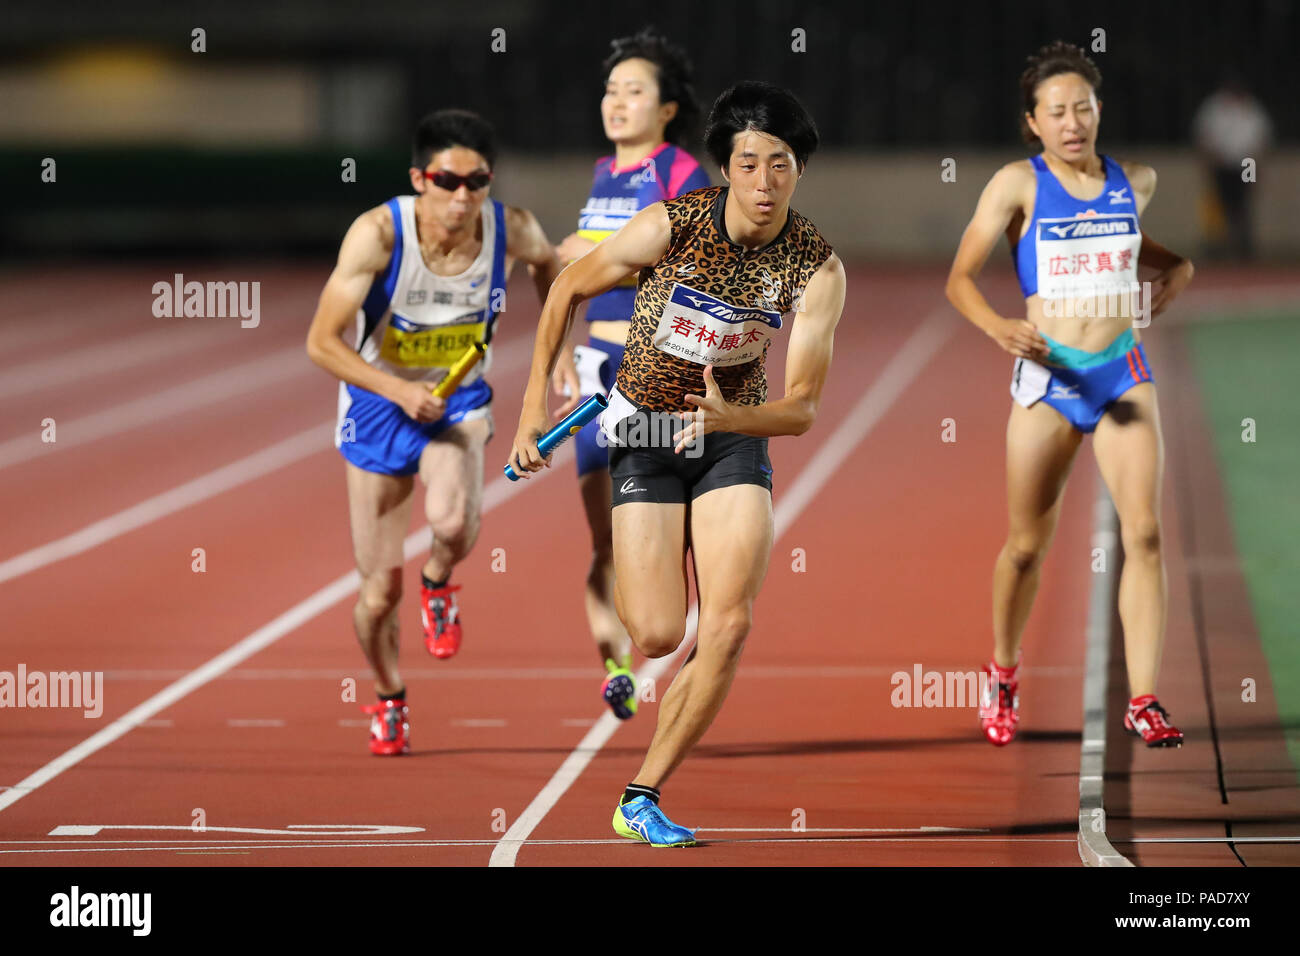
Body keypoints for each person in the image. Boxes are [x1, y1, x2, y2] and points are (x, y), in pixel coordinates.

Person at [508, 81, 846, 845]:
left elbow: (802, 409)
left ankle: (641, 794)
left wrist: (734, 418)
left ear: (800, 171)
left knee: (727, 626)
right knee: (658, 634)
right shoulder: (672, 223)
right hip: (646, 435)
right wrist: (533, 407)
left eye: (782, 165)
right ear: (725, 167)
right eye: (750, 163)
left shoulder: (816, 268)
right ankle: (637, 635)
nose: (765, 183)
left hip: (732, 434)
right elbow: (566, 285)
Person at [945, 42, 1195, 748]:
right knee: (1027, 545)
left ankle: (1143, 698)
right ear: (1034, 122)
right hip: (1050, 379)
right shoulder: (1014, 186)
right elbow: (959, 278)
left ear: (1098, 110)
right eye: (1056, 111)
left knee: (1143, 531)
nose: (1072, 121)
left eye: (1082, 107)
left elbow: (1125, 241)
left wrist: (1179, 266)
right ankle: (1003, 670)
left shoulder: (1133, 180)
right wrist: (999, 328)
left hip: (1121, 371)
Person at [306, 109, 560, 755]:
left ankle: (440, 583)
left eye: (477, 182)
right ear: (420, 177)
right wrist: (397, 389)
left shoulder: (513, 229)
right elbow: (320, 342)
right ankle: (390, 695)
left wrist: (554, 348)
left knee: (451, 524)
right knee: (377, 590)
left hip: (458, 402)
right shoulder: (377, 236)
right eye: (447, 181)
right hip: (377, 404)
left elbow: (552, 269)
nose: (462, 197)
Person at [548, 28, 711, 721]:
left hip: (657, 373)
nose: (617, 102)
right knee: (603, 539)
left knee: (665, 534)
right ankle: (617, 664)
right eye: (611, 89)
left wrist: (592, 247)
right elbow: (571, 273)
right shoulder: (602, 175)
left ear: (667, 108)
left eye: (635, 90)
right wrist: (557, 352)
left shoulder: (680, 173)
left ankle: (678, 654)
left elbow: (692, 260)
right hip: (594, 372)